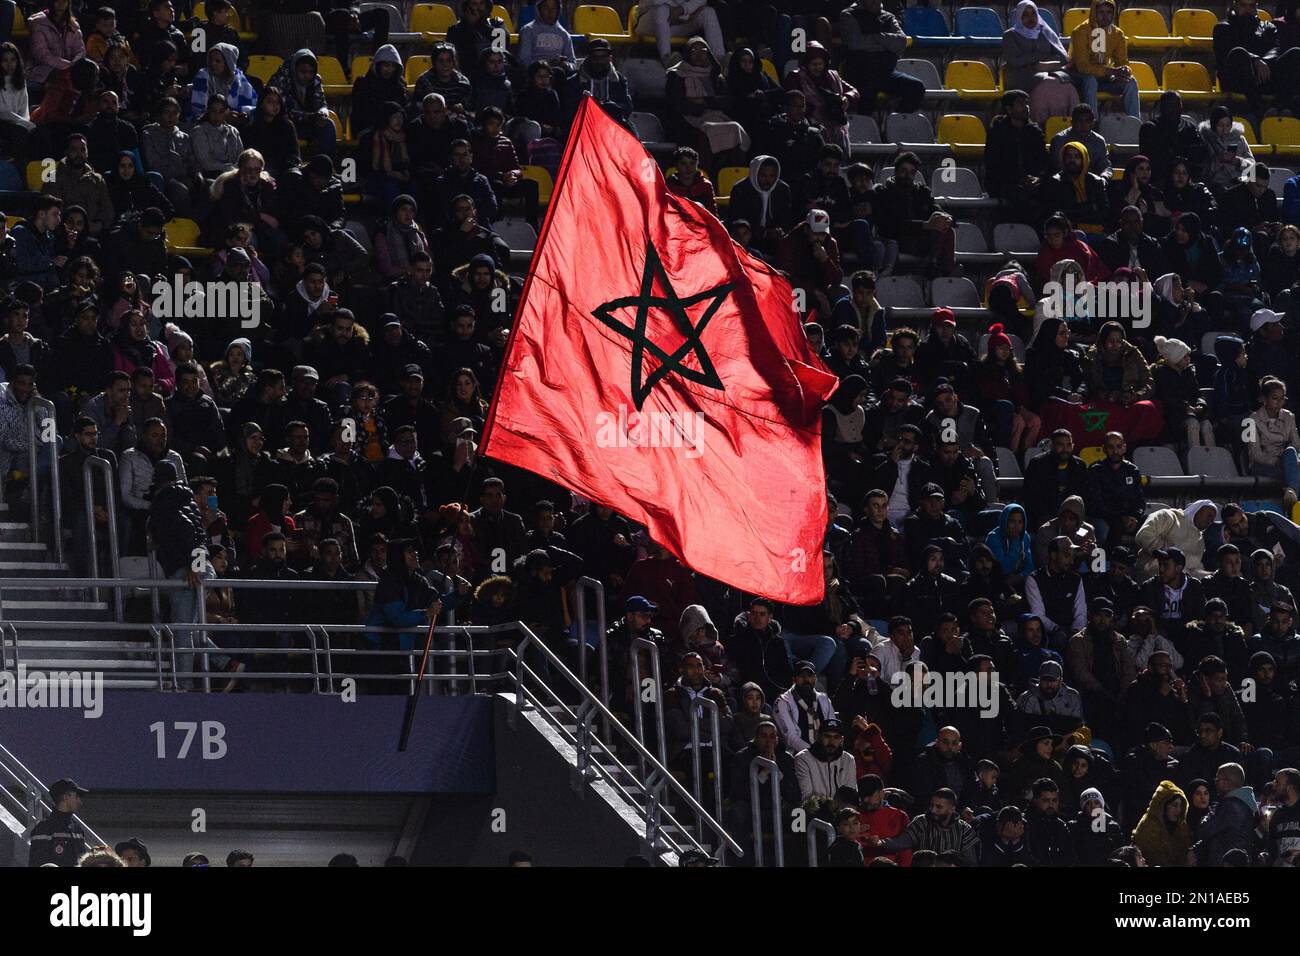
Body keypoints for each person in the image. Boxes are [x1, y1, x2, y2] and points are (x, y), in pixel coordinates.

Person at [148, 461, 237, 689]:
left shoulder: (166, 500)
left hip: (189, 571)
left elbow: (190, 535)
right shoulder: (185, 499)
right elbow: (199, 535)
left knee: (182, 631)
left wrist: (194, 566)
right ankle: (227, 665)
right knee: (191, 629)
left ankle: (183, 685)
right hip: (198, 567)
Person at [838, 0, 921, 114]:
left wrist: (875, 38)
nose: (874, 2)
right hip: (860, 72)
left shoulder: (888, 17)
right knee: (867, 93)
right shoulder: (848, 15)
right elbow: (855, 43)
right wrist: (887, 44)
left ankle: (895, 123)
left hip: (885, 72)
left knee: (916, 88)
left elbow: (902, 42)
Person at [1002, 1, 1076, 124]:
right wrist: (1038, 58)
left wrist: (1043, 65)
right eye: (1025, 15)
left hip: (1048, 73)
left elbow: (1062, 57)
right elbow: (1014, 61)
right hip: (1019, 76)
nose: (1031, 18)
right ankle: (1038, 124)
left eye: (1033, 14)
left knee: (1068, 87)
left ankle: (1066, 124)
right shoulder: (1010, 35)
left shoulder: (1045, 33)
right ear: (1019, 17)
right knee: (1046, 85)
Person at [865, 788, 979, 864]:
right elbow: (903, 841)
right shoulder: (922, 822)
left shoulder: (964, 830)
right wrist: (881, 842)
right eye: (932, 805)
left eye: (939, 807)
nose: (933, 810)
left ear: (952, 809)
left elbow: (970, 862)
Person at [1066, 0, 1139, 118]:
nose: (1105, 16)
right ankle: (1091, 123)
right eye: (1101, 12)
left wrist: (1125, 70)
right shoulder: (1080, 32)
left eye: (1109, 12)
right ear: (1094, 12)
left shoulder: (1117, 34)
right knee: (1090, 81)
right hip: (1078, 76)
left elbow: (1123, 61)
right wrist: (1111, 71)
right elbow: (1082, 66)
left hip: (1104, 77)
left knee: (1130, 81)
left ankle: (1135, 123)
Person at [1191, 762, 1259, 865]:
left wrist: (1209, 814)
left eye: (1217, 779)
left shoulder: (1229, 806)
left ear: (1226, 783)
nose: (1215, 782)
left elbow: (1204, 830)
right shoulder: (1246, 805)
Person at [634, 0, 725, 66]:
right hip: (648, 22)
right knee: (662, 10)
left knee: (708, 12)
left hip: (677, 22)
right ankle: (667, 58)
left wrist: (683, 9)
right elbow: (656, 2)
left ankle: (719, 60)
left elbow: (701, 1)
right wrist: (685, 11)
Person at [773, 661, 834, 753]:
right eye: (801, 676)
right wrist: (814, 753)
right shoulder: (783, 702)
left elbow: (832, 729)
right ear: (794, 679)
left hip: (825, 753)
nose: (806, 679)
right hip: (796, 756)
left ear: (815, 678)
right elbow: (791, 738)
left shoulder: (824, 700)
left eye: (809, 675)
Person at [27, 778, 87, 866]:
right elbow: (37, 863)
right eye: (77, 796)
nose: (80, 802)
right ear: (66, 797)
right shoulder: (43, 829)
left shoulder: (77, 829)